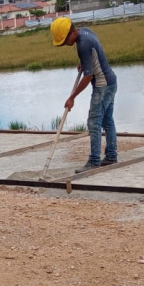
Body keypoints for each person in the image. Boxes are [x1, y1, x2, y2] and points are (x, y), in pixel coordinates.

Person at [50, 17, 118, 173]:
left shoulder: (83, 44)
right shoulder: (85, 31)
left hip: (102, 86)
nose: (65, 43)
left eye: (65, 40)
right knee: (107, 121)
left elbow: (88, 76)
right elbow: (96, 51)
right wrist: (85, 61)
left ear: (72, 32)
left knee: (94, 123)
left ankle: (94, 161)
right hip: (111, 82)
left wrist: (72, 98)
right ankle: (111, 156)